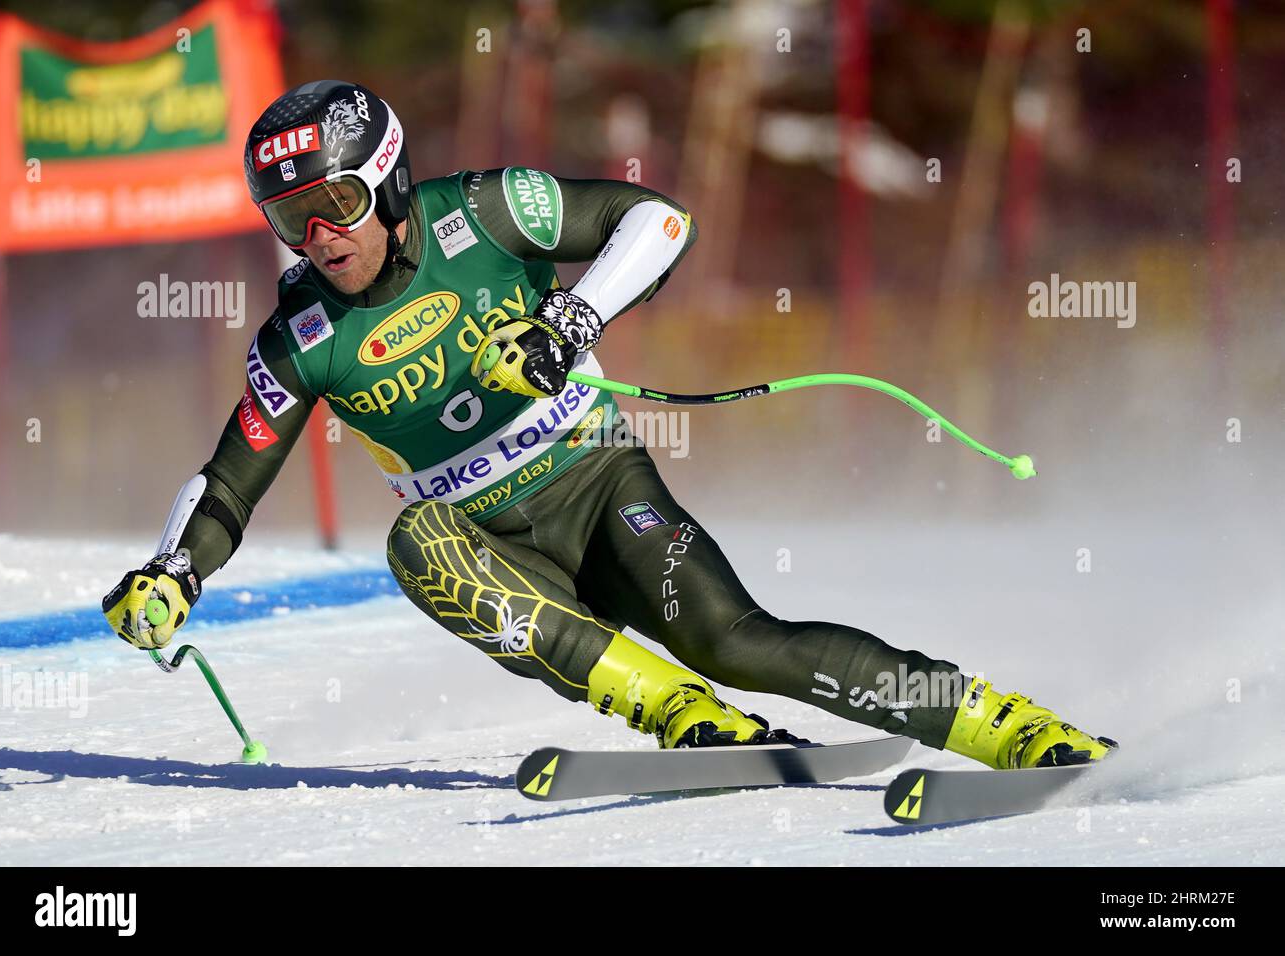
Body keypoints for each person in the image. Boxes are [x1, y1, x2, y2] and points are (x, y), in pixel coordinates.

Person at [103, 80, 1116, 769]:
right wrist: (170, 571)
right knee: (417, 545)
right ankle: (680, 714)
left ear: (391, 180)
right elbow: (230, 477)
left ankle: (1006, 728)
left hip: (594, 485)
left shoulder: (487, 211)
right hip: (491, 548)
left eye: (332, 201)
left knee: (736, 638)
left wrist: (569, 321)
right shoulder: (301, 334)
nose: (318, 234)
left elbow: (659, 219)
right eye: (290, 218)